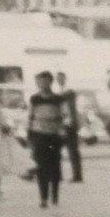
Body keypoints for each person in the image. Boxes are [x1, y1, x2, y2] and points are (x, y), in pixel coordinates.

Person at [27, 71, 65, 208]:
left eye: (43, 81)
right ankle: (43, 198)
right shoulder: (34, 99)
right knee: (41, 167)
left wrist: (62, 132)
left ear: (50, 81)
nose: (40, 84)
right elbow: (30, 117)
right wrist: (29, 135)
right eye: (38, 81)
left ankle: (54, 195)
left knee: (55, 166)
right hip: (39, 135)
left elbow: (63, 116)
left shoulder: (58, 99)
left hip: (54, 135)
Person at [56, 72, 83, 183]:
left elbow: (66, 98)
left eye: (61, 78)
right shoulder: (60, 91)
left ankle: (77, 175)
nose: (59, 80)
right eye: (58, 79)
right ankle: (59, 175)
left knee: (72, 151)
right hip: (62, 124)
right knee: (57, 151)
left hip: (69, 124)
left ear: (64, 78)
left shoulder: (68, 91)